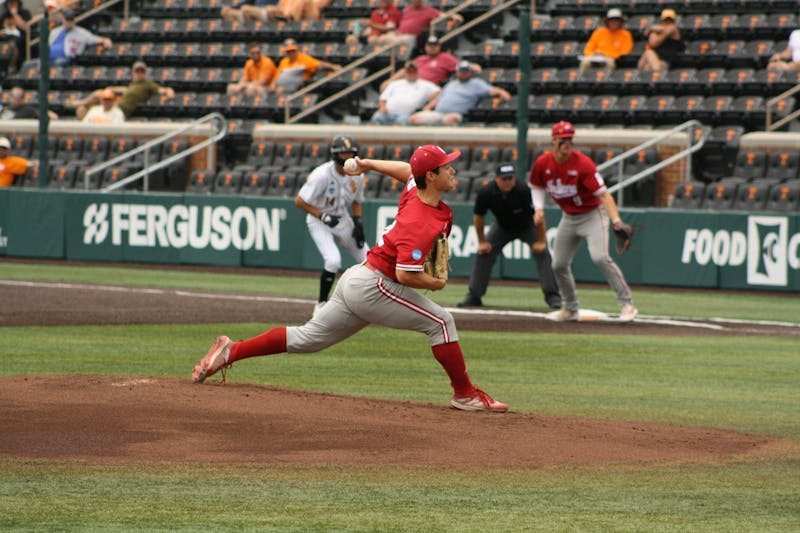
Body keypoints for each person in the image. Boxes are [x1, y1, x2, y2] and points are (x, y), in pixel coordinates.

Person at [192, 144, 509, 413]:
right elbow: (405, 273)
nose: (453, 171)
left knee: (307, 339)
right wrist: (435, 283)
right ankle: (465, 394)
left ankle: (232, 350)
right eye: (446, 167)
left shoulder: (418, 192)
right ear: (431, 176)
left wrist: (369, 163)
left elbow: (404, 171)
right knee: (440, 321)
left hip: (358, 279)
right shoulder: (420, 221)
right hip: (378, 286)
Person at [528, 121, 637, 322]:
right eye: (563, 140)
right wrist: (539, 208)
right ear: (553, 141)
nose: (567, 144)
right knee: (558, 264)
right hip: (569, 217)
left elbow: (604, 195)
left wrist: (616, 220)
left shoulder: (582, 164)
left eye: (570, 139)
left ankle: (627, 304)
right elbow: (536, 185)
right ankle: (570, 308)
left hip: (592, 214)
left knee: (600, 257)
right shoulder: (543, 163)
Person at [458, 163, 561, 310]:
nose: (508, 182)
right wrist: (481, 241)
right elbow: (478, 217)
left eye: (510, 178)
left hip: (527, 225)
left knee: (543, 252)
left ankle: (553, 296)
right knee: (484, 252)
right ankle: (474, 295)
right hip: (502, 227)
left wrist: (541, 241)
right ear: (496, 178)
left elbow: (538, 217)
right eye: (504, 179)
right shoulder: (486, 192)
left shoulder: (523, 189)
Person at [294, 135, 368, 315]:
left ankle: (370, 301)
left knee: (369, 258)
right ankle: (321, 304)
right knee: (333, 260)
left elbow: (357, 201)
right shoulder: (321, 175)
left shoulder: (357, 174)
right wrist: (322, 216)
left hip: (342, 218)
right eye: (344, 153)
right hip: (319, 220)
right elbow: (300, 201)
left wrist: (357, 221)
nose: (348, 157)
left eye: (351, 153)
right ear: (336, 155)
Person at [407, 60, 510, 125]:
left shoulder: (476, 83)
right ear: (457, 72)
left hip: (456, 115)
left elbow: (492, 91)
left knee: (450, 120)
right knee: (414, 119)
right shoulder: (451, 83)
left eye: (465, 71)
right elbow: (439, 98)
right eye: (461, 71)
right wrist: (428, 107)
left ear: (470, 72)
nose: (463, 73)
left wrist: (502, 93)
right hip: (438, 113)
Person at [67, 60, 175, 120]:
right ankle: (80, 110)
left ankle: (76, 103)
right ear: (133, 72)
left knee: (98, 95)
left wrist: (169, 91)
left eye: (141, 71)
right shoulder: (132, 86)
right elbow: (126, 90)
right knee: (82, 109)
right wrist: (111, 89)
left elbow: (162, 90)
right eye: (137, 71)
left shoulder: (147, 84)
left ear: (145, 73)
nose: (139, 73)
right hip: (114, 104)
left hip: (120, 109)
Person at [380, 35, 465, 91]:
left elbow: (462, 66)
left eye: (435, 45)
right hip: (412, 84)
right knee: (387, 86)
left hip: (428, 87)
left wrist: (473, 66)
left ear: (439, 46)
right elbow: (405, 70)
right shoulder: (420, 58)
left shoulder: (445, 57)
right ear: (425, 47)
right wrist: (390, 80)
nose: (432, 48)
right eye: (430, 45)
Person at [371, 60, 440, 125]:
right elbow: (383, 98)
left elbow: (441, 93)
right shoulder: (395, 83)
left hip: (407, 115)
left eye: (413, 71)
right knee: (377, 117)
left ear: (417, 71)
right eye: (409, 71)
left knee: (402, 121)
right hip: (388, 113)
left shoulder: (425, 85)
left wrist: (429, 106)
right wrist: (382, 107)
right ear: (405, 72)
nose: (411, 73)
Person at [269, 38, 341, 95]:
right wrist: (273, 85)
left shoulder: (303, 59)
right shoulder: (284, 61)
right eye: (288, 51)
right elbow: (277, 76)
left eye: (293, 50)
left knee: (280, 91)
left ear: (296, 49)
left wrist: (334, 66)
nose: (291, 53)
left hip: (298, 88)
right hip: (284, 87)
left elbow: (319, 64)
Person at [376, 0, 462, 46]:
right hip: (399, 34)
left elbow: (442, 15)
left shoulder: (429, 10)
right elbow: (402, 24)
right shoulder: (407, 9)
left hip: (412, 37)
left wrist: (454, 16)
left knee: (396, 41)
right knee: (380, 38)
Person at [0, 0, 31, 72]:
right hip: (5, 39)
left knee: (12, 45)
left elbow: (25, 28)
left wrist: (15, 15)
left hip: (19, 39)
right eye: (9, 3)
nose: (11, 5)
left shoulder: (24, 13)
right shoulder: (4, 16)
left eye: (13, 2)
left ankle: (12, 66)